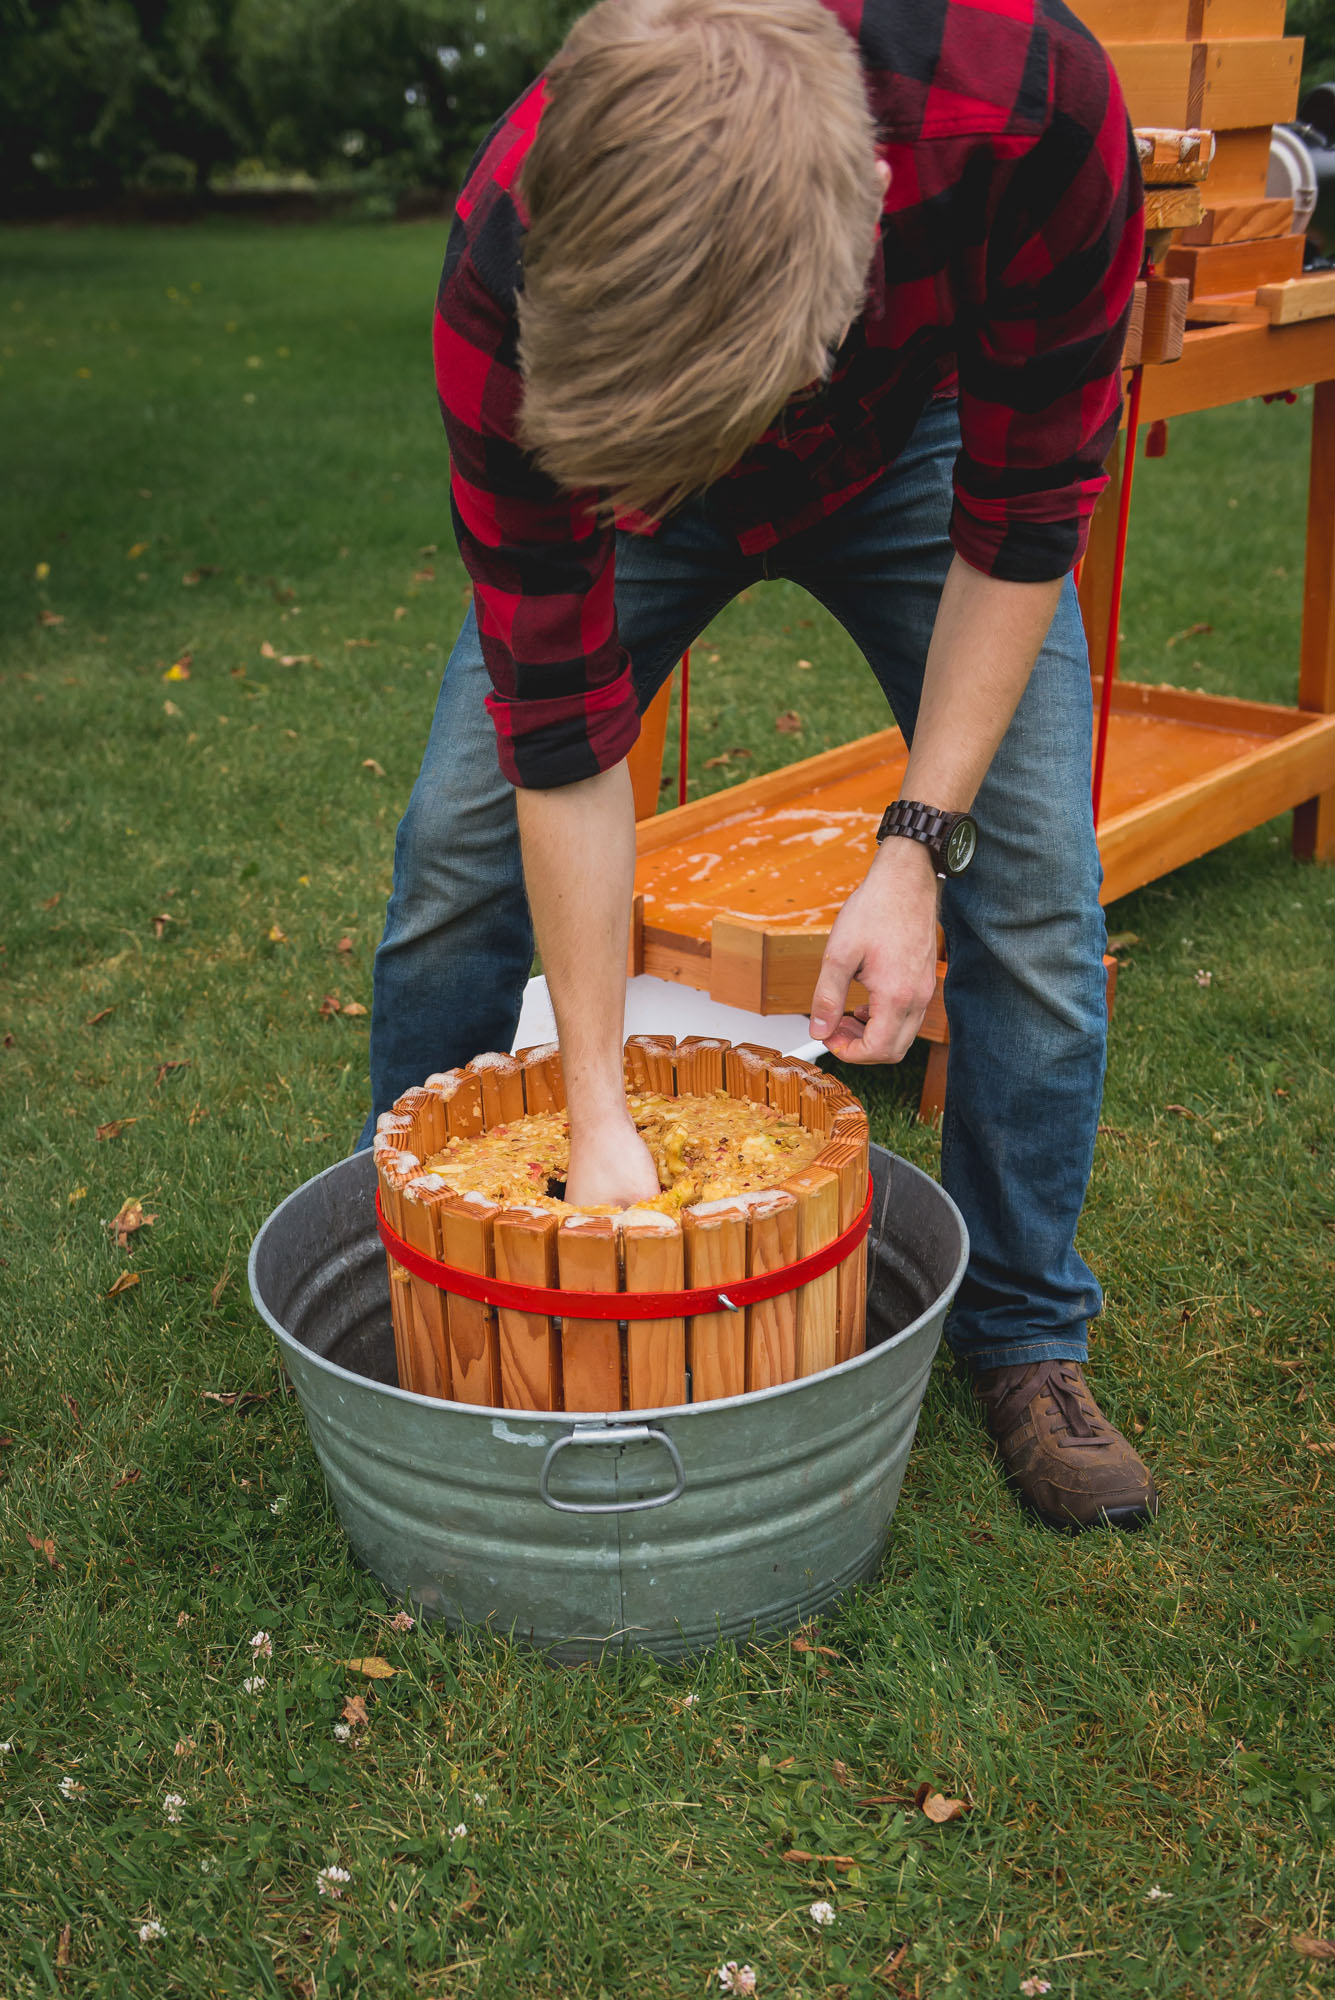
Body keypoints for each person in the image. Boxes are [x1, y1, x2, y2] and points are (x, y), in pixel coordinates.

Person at [363, 0, 1160, 1533]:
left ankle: (1023, 1330)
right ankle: (433, 1289)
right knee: (455, 861)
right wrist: (597, 1113)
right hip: (634, 452)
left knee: (1043, 895)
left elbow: (1025, 510)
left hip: (924, 439)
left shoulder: (1037, 112)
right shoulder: (508, 259)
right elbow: (557, 719)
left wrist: (917, 844)